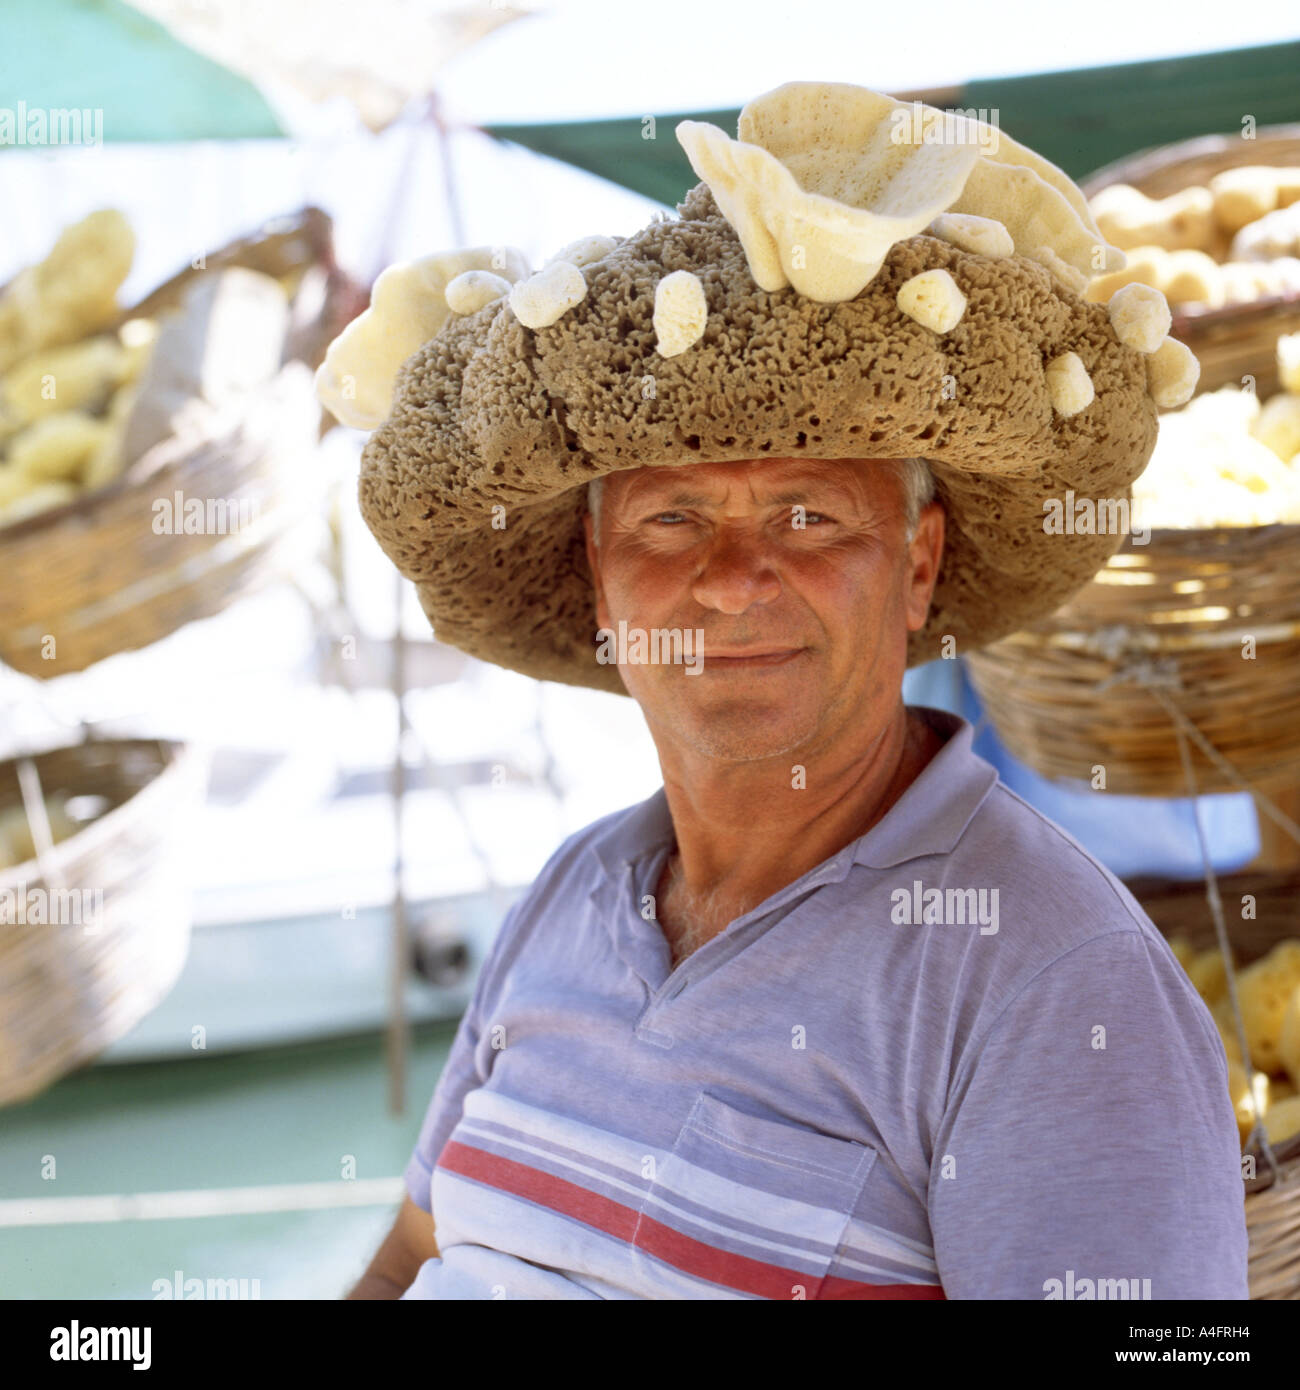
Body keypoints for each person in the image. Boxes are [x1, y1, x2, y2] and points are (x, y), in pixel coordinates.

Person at [325, 82, 1247, 1299]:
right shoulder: (570, 892)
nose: (734, 580)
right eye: (671, 519)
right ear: (603, 587)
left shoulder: (1056, 984)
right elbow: (414, 1254)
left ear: (914, 568)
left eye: (808, 516)